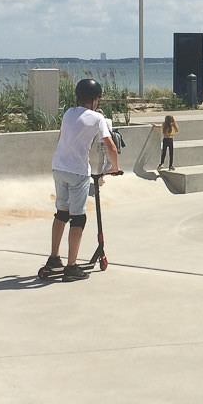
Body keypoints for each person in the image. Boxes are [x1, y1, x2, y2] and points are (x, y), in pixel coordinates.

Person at [45, 78, 120, 282]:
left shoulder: (68, 113)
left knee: (61, 214)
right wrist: (114, 168)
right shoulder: (97, 118)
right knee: (78, 218)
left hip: (59, 167)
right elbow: (111, 146)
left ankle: (54, 258)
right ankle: (71, 267)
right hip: (78, 172)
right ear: (95, 100)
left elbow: (61, 138)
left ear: (78, 97)